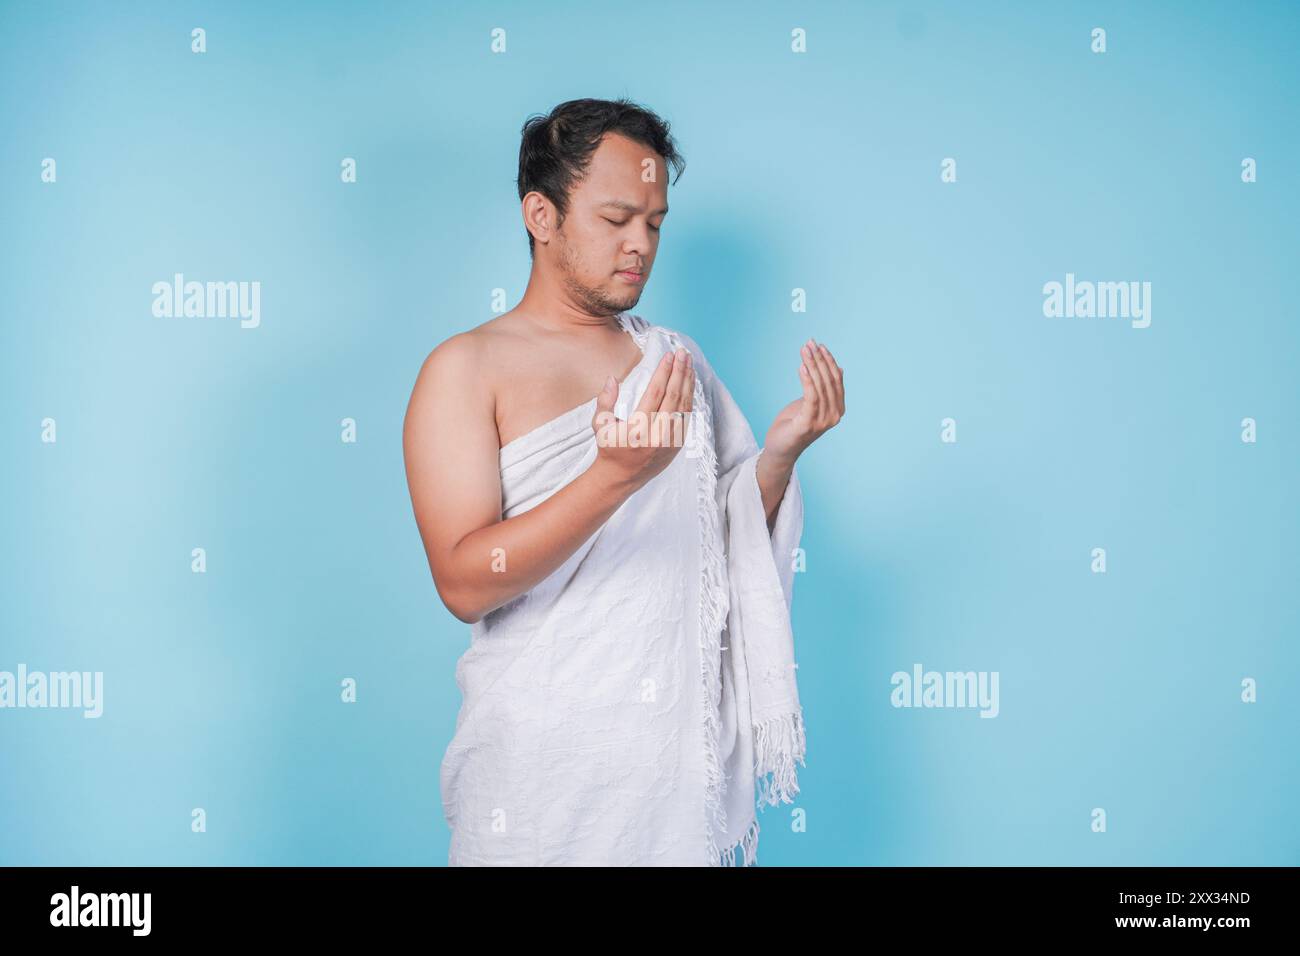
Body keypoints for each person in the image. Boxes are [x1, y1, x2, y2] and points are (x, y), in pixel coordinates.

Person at [402, 97, 845, 865]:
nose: (640, 244)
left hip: (670, 783)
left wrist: (777, 458)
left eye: (656, 222)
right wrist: (612, 478)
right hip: (536, 781)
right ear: (541, 215)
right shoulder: (465, 369)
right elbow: (466, 582)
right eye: (616, 220)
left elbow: (718, 543)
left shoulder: (674, 364)